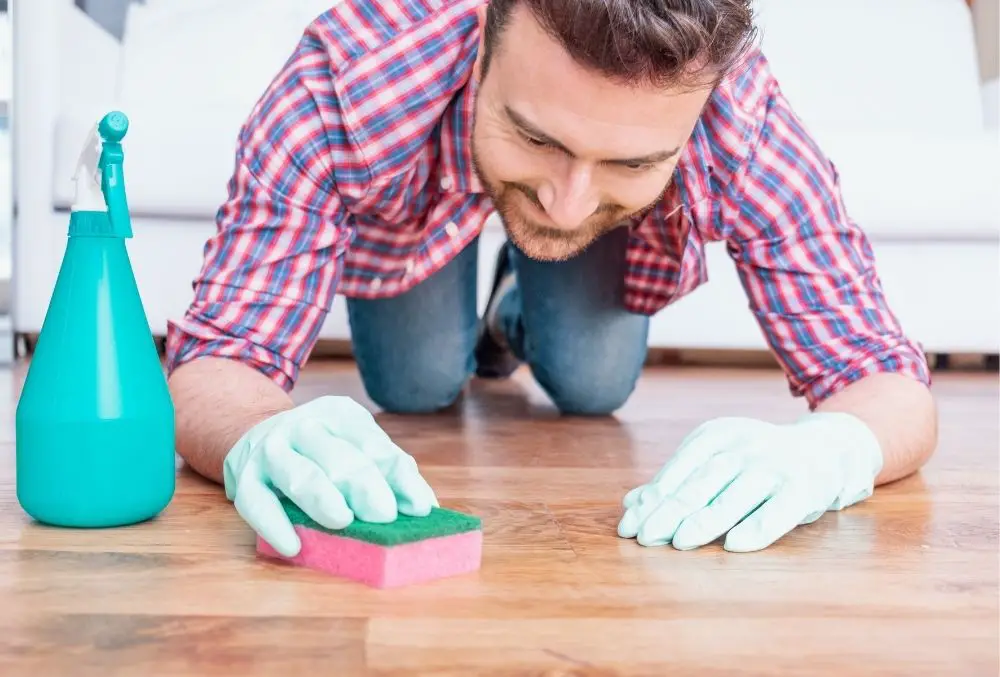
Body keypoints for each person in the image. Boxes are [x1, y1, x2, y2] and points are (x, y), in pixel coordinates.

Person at [165, 0, 937, 557]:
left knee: (593, 383)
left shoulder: (743, 118)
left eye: (632, 162)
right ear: (483, 37)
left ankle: (511, 304)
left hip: (586, 226)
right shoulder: (347, 77)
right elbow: (220, 357)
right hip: (416, 213)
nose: (568, 205)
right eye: (535, 136)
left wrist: (836, 449)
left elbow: (884, 379)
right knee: (414, 384)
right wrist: (253, 429)